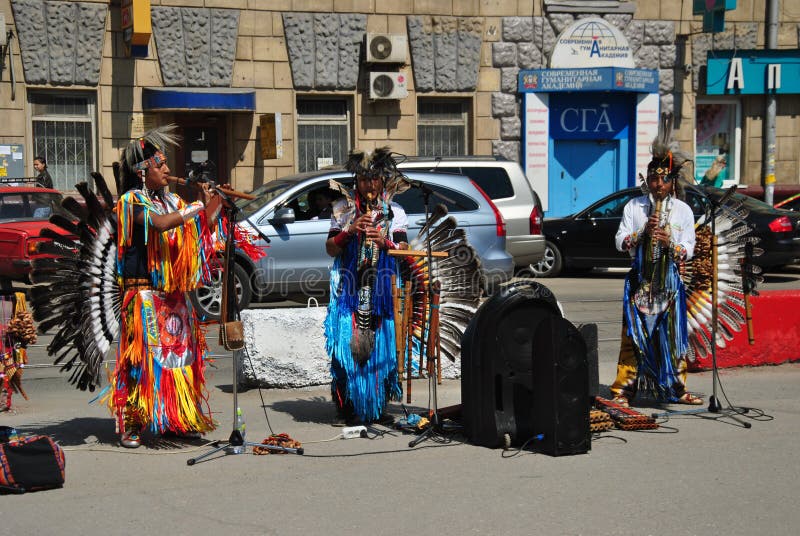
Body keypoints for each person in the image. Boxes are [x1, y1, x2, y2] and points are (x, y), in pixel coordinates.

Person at [110, 125, 226, 448]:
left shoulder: (172, 200)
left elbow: (201, 228)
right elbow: (161, 226)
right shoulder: (130, 202)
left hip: (172, 296)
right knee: (139, 364)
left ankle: (175, 420)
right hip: (142, 295)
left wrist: (211, 200)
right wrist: (195, 207)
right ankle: (132, 424)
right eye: (159, 165)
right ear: (142, 171)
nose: (167, 170)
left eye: (165, 164)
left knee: (180, 359)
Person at [610, 118, 703, 407]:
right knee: (633, 338)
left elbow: (689, 247)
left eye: (663, 180)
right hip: (641, 281)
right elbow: (619, 239)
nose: (657, 184)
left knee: (673, 337)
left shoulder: (683, 211)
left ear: (672, 182)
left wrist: (669, 244)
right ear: (647, 180)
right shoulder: (634, 207)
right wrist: (641, 234)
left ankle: (676, 388)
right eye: (653, 179)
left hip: (670, 284)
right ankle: (622, 391)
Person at [324, 147, 409, 426]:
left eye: (374, 179)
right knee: (347, 346)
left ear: (383, 179)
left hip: (381, 289)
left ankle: (377, 408)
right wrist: (349, 231)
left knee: (381, 347)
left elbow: (404, 250)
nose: (369, 185)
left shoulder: (395, 212)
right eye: (363, 179)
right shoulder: (343, 209)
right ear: (356, 181)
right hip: (349, 289)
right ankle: (346, 407)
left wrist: (385, 241)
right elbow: (330, 249)